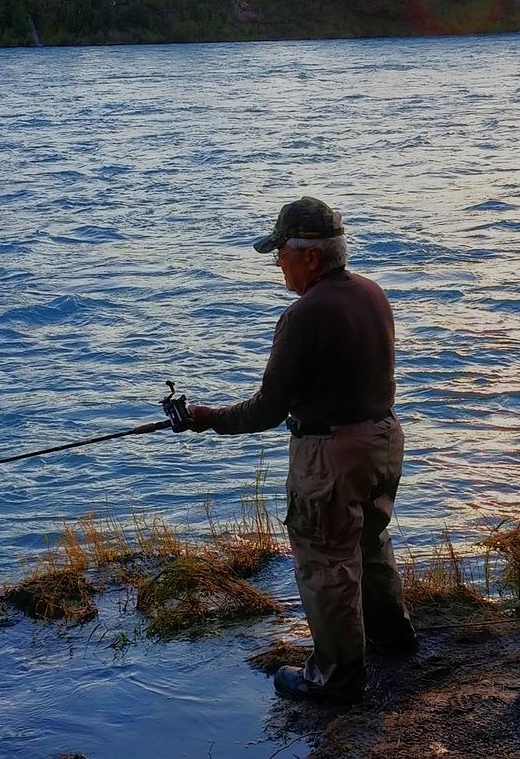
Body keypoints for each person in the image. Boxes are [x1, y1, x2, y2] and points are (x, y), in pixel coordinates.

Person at [174, 196, 416, 704]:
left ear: (310, 256)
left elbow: (266, 410)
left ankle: (337, 678)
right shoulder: (372, 293)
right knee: (369, 542)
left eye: (281, 251)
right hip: (383, 441)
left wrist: (204, 419)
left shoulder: (304, 314)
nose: (277, 262)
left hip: (331, 453)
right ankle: (393, 639)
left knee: (326, 562)